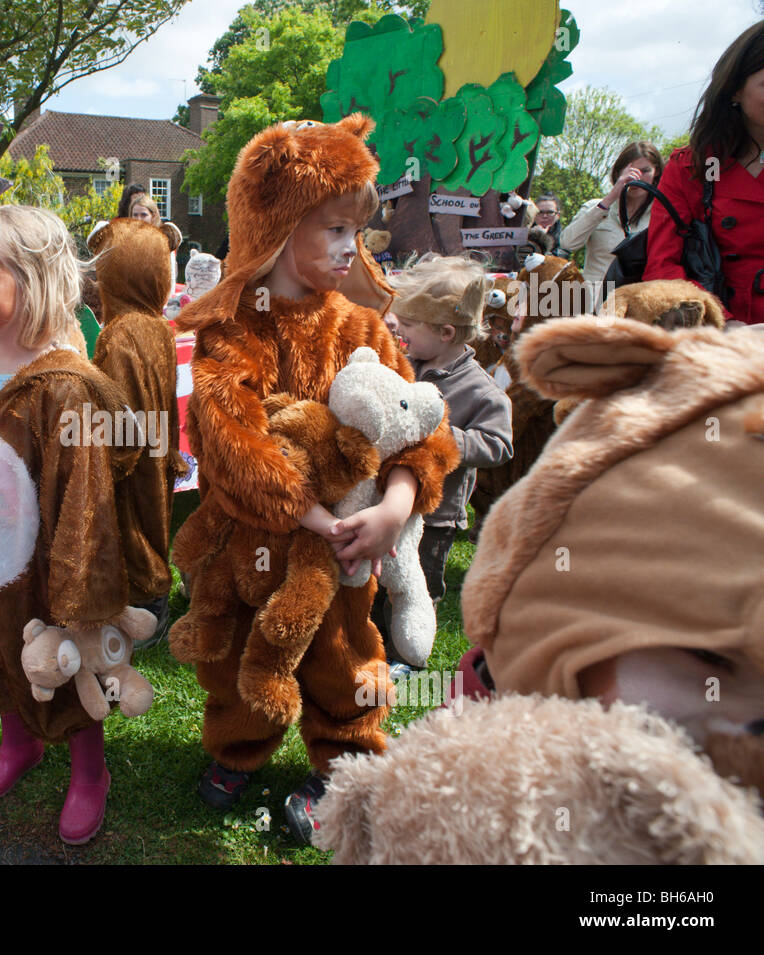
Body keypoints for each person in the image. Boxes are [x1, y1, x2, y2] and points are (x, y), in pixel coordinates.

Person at [167, 117, 457, 844]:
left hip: (357, 541)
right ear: (275, 222)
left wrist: (393, 507)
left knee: (343, 651)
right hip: (254, 544)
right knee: (238, 653)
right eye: (331, 228)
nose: (346, 248)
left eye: (354, 230)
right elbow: (230, 440)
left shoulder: (364, 327)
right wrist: (313, 519)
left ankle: (347, 760)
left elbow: (421, 425)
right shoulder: (233, 327)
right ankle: (241, 745)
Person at [0, 205, 143, 845]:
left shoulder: (65, 389)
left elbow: (85, 503)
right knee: (0, 650)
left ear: (36, 281)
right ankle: (17, 744)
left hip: (46, 566)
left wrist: (78, 598)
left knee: (63, 664)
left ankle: (89, 772)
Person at [384, 256, 512, 672]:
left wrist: (445, 437)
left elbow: (498, 444)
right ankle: (376, 640)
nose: (400, 330)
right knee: (385, 576)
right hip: (390, 501)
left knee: (420, 582)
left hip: (437, 514)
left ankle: (409, 655)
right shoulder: (411, 364)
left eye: (409, 325)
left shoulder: (480, 389)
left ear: (445, 332)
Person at [89, 218, 187, 644]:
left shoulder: (119, 333)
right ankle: (153, 604)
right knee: (154, 524)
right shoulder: (157, 327)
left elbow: (121, 410)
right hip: (156, 451)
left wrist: (108, 460)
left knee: (131, 533)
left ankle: (144, 618)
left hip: (129, 465)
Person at [645, 20, 764, 325]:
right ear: (735, 90)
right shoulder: (693, 168)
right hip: (724, 343)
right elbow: (662, 266)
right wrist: (720, 323)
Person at [560, 142, 663, 304]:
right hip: (593, 303)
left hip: (639, 303)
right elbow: (568, 242)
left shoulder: (662, 214)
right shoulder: (595, 206)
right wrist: (609, 199)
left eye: (645, 171)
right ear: (618, 172)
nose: (638, 177)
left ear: (656, 173)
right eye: (631, 171)